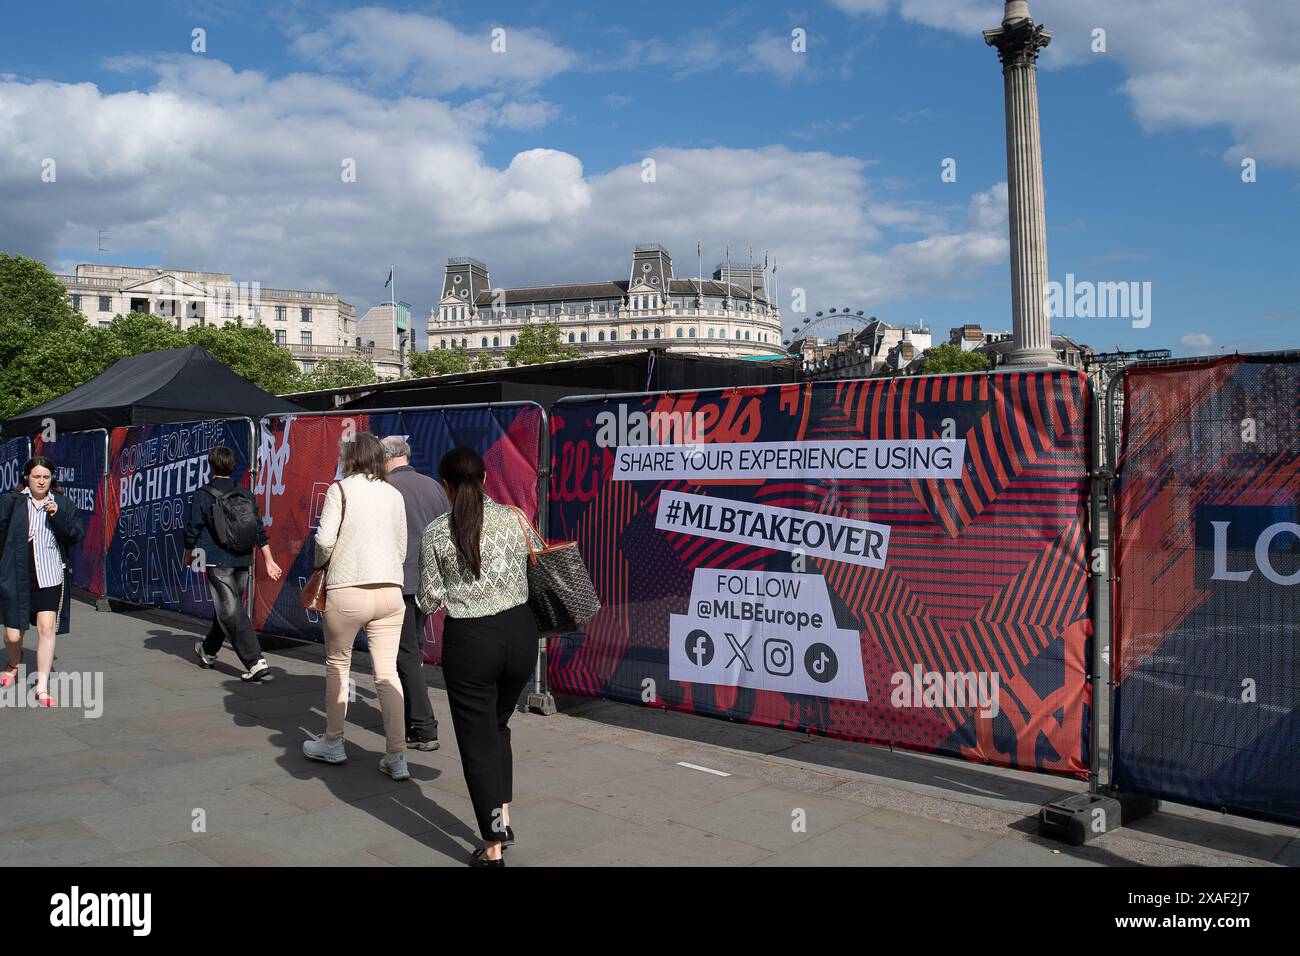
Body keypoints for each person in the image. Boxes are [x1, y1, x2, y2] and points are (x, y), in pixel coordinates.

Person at [417, 446, 542, 866]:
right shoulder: (515, 518)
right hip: (520, 634)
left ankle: (491, 849)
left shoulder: (437, 532)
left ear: (446, 487)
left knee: (477, 742)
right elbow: (540, 561)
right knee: (498, 725)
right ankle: (502, 817)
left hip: (471, 641)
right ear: (486, 480)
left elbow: (430, 600)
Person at [303, 431, 410, 780]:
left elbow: (323, 539)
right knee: (386, 673)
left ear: (350, 457)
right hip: (390, 591)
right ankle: (397, 755)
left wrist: (324, 563)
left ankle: (334, 742)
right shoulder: (394, 495)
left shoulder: (341, 490)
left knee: (338, 665)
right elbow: (401, 546)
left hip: (348, 589)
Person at [184, 445, 283, 681]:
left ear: (211, 465)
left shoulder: (203, 494)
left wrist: (188, 555)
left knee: (230, 610)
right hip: (243, 559)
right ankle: (208, 651)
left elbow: (193, 529)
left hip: (217, 561)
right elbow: (258, 528)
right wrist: (268, 559)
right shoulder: (244, 493)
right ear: (232, 466)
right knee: (228, 608)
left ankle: (255, 661)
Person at [381, 436, 449, 751]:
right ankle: (413, 719)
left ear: (385, 459)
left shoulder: (386, 490)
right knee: (413, 649)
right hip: (428, 580)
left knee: (405, 654)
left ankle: (423, 726)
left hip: (399, 580)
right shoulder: (433, 486)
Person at [0, 457, 85, 705]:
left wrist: (57, 516)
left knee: (47, 628)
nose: (41, 481)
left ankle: (42, 686)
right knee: (13, 636)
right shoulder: (11, 502)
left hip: (49, 575)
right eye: (36, 476)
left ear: (52, 478)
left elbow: (75, 534)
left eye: (46, 477)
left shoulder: (62, 504)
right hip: (16, 576)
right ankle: (14, 660)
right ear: (27, 477)